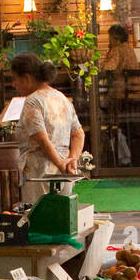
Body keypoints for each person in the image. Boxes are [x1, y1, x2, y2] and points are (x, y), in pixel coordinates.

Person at [12, 52, 85, 204]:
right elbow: (78, 133)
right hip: (65, 172)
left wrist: (60, 162)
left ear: (26, 78)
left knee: (39, 220)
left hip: (41, 174)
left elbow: (41, 138)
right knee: (61, 217)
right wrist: (71, 160)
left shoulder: (33, 101)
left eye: (15, 79)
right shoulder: (61, 98)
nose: (14, 84)